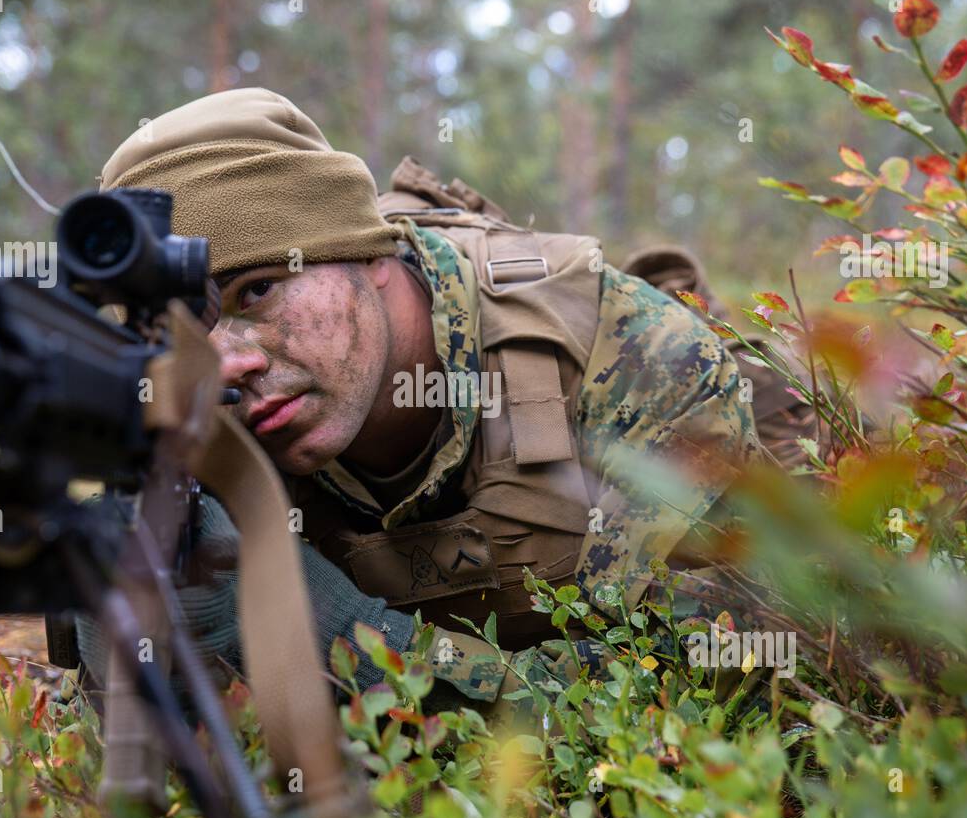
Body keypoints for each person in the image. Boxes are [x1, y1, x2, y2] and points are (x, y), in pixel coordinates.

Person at [75, 87, 766, 715]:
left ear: (368, 251)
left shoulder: (634, 360)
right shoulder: (195, 422)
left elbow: (690, 696)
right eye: (182, 331)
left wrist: (348, 638)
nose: (231, 364)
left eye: (256, 290)